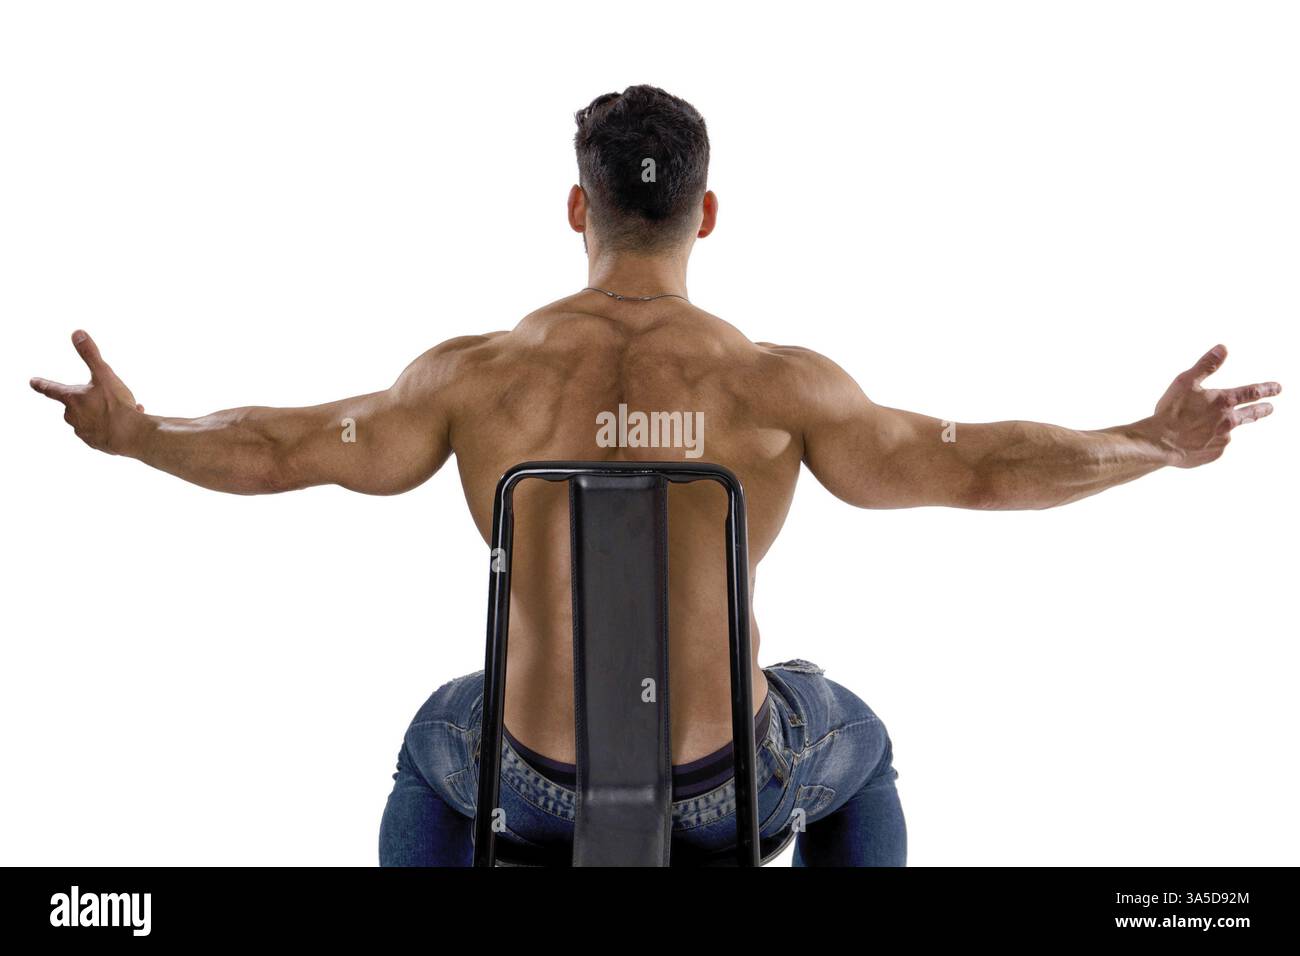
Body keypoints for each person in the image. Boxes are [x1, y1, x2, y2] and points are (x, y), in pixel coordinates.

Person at [30, 85, 1280, 866]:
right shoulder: (781, 389)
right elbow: (977, 466)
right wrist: (1150, 441)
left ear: (576, 208)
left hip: (526, 782)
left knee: (436, 731)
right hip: (727, 792)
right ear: (709, 213)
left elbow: (282, 444)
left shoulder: (472, 380)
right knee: (853, 725)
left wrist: (142, 432)